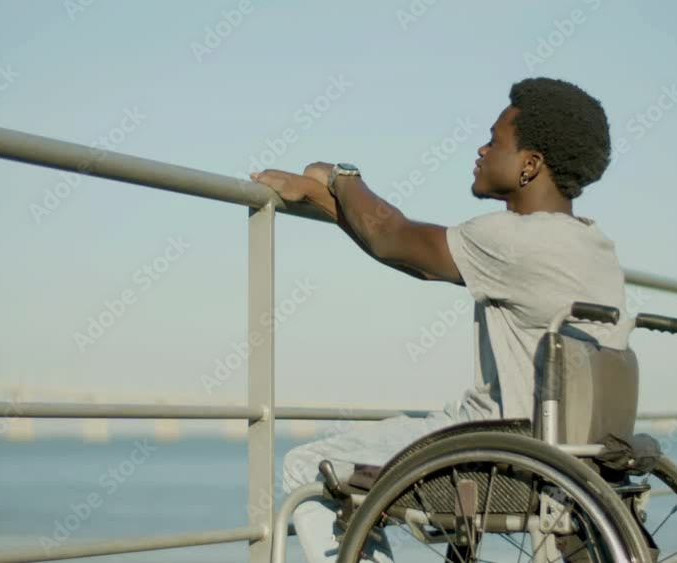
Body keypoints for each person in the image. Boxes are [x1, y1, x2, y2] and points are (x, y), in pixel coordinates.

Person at [249, 77, 629, 563]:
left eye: (494, 140)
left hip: (502, 455)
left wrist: (340, 175)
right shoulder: (591, 245)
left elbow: (393, 238)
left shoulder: (513, 240)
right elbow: (399, 246)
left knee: (308, 465)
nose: (481, 148)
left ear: (530, 164)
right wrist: (323, 197)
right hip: (570, 455)